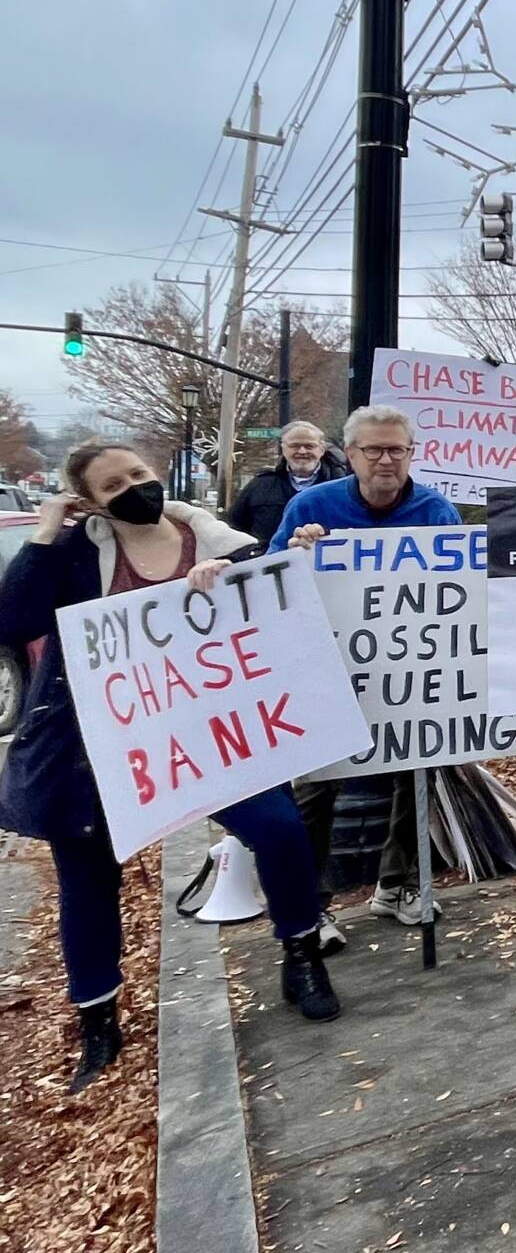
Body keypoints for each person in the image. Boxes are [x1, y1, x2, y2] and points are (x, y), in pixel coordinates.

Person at [0, 442, 341, 1091]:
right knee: (88, 876)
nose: (134, 486)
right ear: (90, 502)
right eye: (113, 484)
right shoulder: (76, 552)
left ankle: (302, 956)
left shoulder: (214, 537)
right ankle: (98, 1020)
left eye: (139, 473)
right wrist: (46, 530)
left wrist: (285, 557)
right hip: (96, 746)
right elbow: (13, 618)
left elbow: (275, 601)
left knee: (278, 829)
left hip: (218, 736)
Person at [276, 405, 463, 941]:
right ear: (351, 454)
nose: (386, 459)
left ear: (411, 454)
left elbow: (461, 591)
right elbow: (270, 582)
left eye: (397, 450)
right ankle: (313, 905)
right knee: (315, 790)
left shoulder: (436, 511)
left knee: (417, 771)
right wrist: (296, 555)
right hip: (328, 671)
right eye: (374, 450)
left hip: (409, 669)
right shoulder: (310, 506)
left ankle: (397, 883)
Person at [228, 420, 347, 548]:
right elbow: (233, 530)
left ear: (322, 449)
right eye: (295, 446)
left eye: (309, 446)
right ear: (283, 449)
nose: (302, 451)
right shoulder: (259, 486)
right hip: (270, 564)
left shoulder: (343, 488)